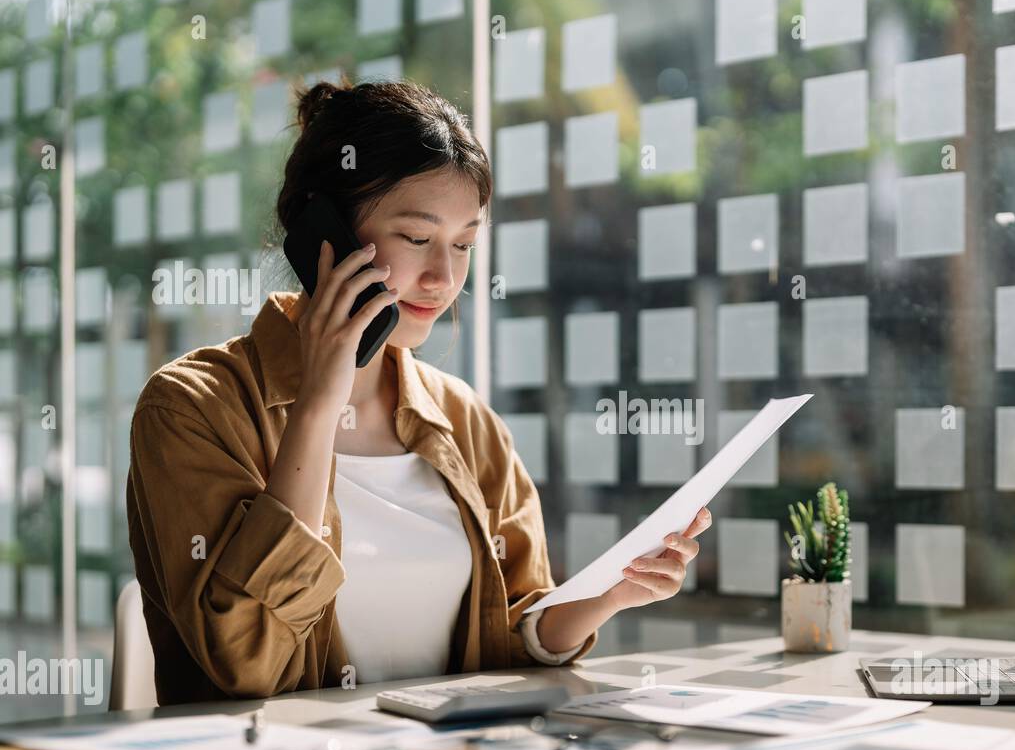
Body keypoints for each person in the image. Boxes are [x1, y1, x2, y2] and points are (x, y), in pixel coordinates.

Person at [126, 78, 710, 705]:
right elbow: (246, 665)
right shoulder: (190, 407)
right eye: (415, 238)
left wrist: (608, 595)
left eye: (463, 244)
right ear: (325, 236)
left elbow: (504, 640)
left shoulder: (465, 421)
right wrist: (321, 402)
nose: (443, 277)